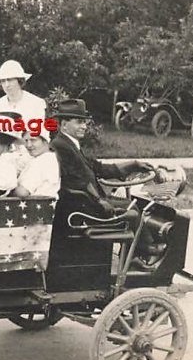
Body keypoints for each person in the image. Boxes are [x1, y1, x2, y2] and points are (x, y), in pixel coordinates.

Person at [49, 99, 161, 259]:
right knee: (132, 209)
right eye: (79, 122)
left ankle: (135, 254)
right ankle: (145, 250)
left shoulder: (69, 144)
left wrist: (132, 165)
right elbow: (75, 181)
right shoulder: (61, 146)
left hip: (86, 202)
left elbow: (97, 167)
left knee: (131, 205)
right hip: (83, 206)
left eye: (85, 122)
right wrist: (99, 200)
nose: (84, 126)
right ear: (64, 124)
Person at [15, 129, 60, 198]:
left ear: (45, 142)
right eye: (26, 141)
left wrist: (8, 190)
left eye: (33, 140)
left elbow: (23, 192)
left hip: (36, 205)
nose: (28, 145)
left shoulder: (42, 161)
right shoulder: (51, 157)